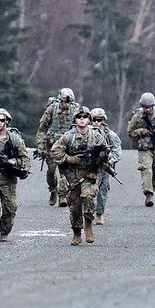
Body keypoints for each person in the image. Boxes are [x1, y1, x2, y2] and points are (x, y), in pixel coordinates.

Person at [51, 104, 112, 245]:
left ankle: (89, 224)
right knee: (74, 206)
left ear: (89, 119)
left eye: (85, 117)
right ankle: (77, 232)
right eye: (79, 117)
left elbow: (106, 154)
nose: (82, 119)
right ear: (75, 119)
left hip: (89, 174)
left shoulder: (96, 136)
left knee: (88, 197)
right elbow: (55, 152)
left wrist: (102, 156)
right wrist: (70, 159)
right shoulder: (68, 137)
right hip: (72, 176)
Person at [0, 107, 31, 242]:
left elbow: (25, 158)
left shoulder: (14, 138)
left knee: (10, 208)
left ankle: (4, 231)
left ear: (7, 121)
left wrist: (13, 162)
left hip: (9, 177)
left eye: (2, 120)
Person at [36, 87, 80, 207]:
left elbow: (82, 128)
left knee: (64, 172)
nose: (67, 105)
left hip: (68, 147)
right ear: (60, 101)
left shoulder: (75, 111)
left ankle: (62, 196)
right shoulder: (52, 109)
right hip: (51, 146)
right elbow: (42, 129)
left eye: (69, 102)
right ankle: (53, 190)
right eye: (65, 102)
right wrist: (41, 146)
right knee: (51, 171)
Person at [89, 107, 122, 225]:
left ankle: (99, 214)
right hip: (88, 167)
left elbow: (117, 152)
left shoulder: (111, 135)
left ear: (103, 120)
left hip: (103, 168)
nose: (96, 122)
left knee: (102, 191)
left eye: (99, 120)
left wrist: (108, 160)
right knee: (88, 191)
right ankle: (87, 214)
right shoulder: (85, 133)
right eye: (94, 120)